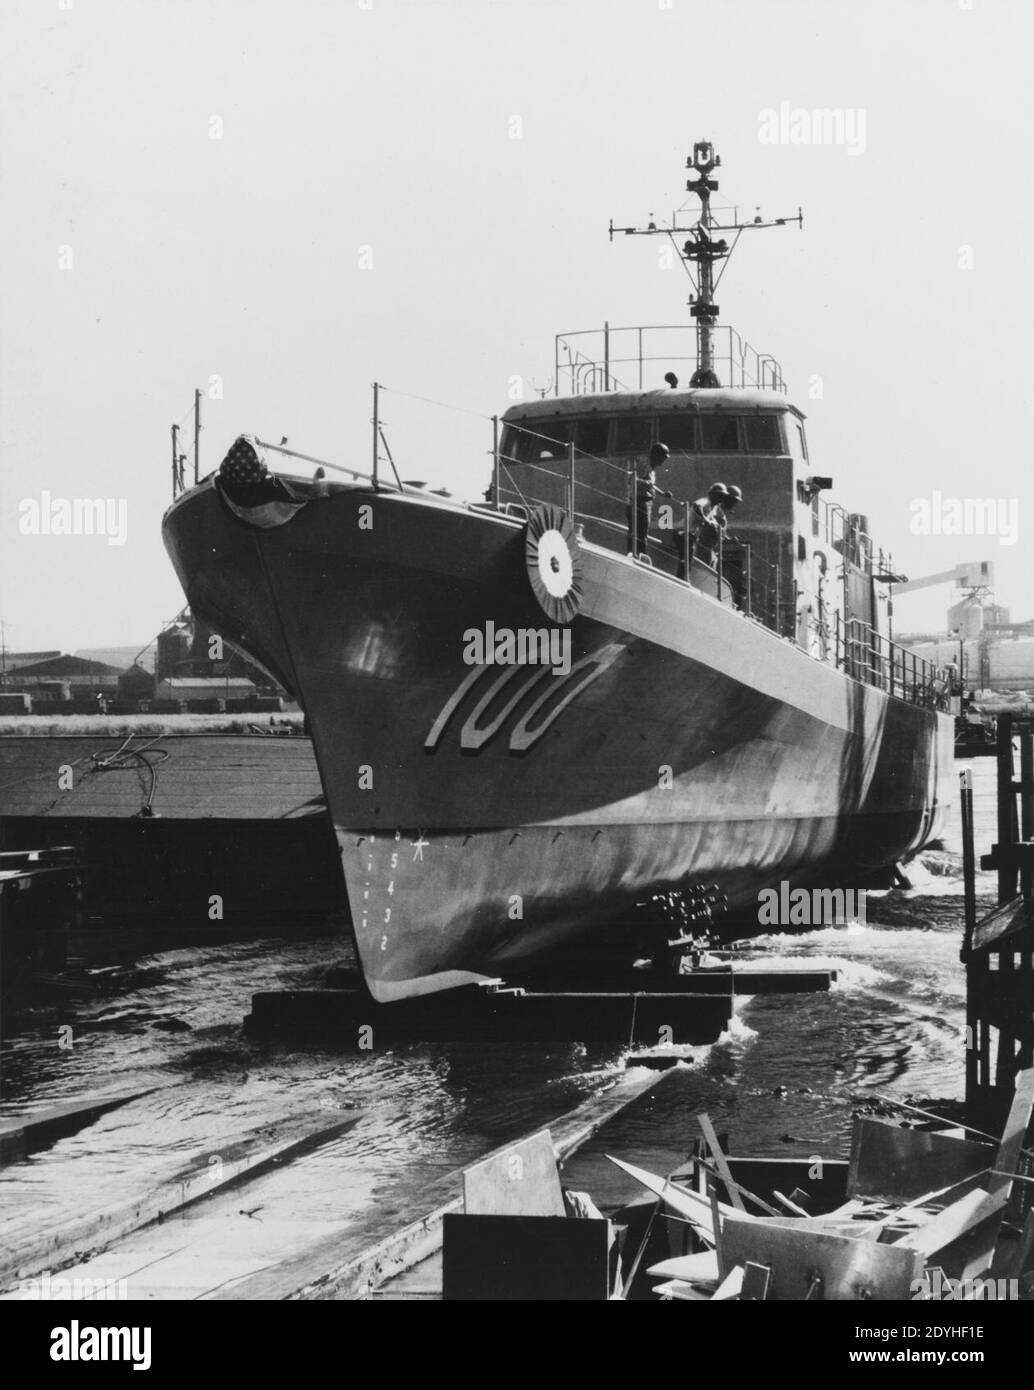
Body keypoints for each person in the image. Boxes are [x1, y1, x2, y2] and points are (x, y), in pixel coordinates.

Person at [627, 442, 670, 559]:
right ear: (656, 455)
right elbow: (632, 480)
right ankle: (639, 557)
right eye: (663, 457)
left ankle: (637, 555)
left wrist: (662, 493)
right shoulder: (644, 465)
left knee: (641, 532)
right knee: (639, 533)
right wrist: (648, 483)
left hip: (644, 502)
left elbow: (649, 483)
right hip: (640, 501)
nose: (663, 461)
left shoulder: (651, 469)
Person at [685, 482, 729, 571]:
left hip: (693, 538)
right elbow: (696, 505)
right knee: (690, 564)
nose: (720, 499)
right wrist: (706, 520)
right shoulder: (706, 501)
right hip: (686, 534)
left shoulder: (714, 507)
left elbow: (713, 521)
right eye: (719, 496)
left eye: (722, 497)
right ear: (712, 494)